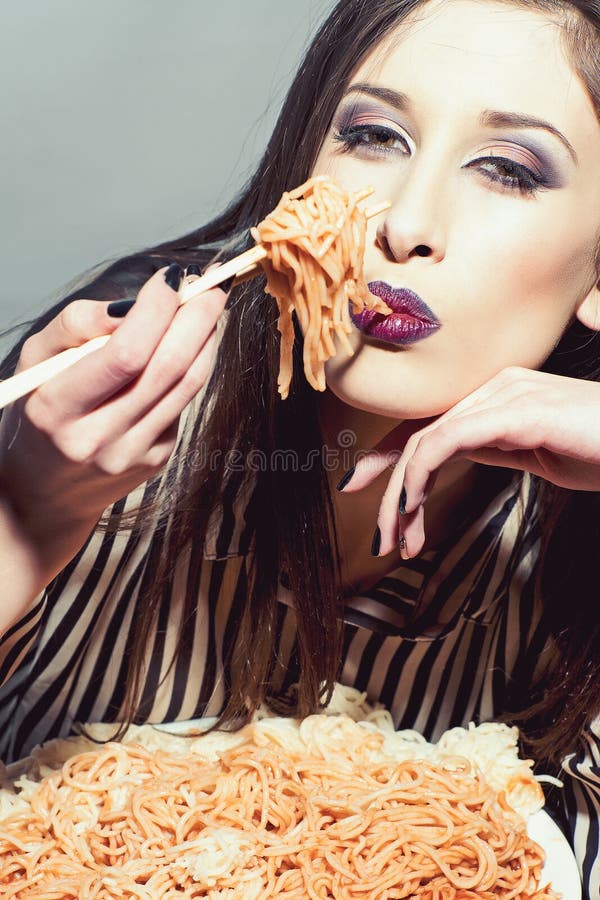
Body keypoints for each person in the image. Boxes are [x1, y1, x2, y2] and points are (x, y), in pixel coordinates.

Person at [0, 0, 599, 895]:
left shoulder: (569, 523)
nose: (402, 222)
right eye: (375, 137)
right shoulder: (103, 412)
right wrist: (26, 514)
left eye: (507, 169)